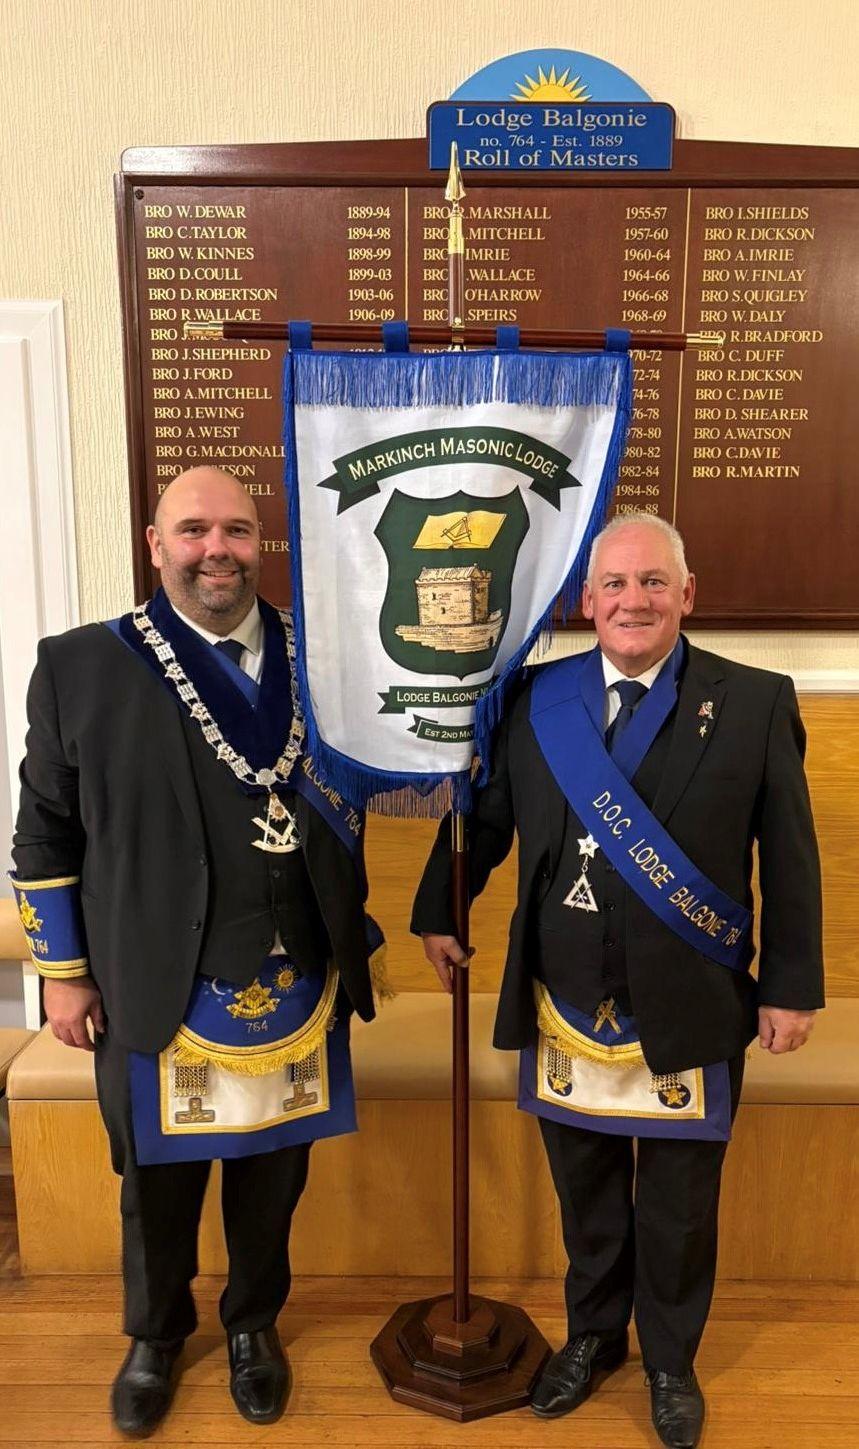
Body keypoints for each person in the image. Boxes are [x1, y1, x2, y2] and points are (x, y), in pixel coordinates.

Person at [413, 511, 823, 1449]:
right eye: (613, 584)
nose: (631, 600)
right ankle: (593, 1338)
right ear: (585, 600)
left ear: (687, 594)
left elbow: (789, 858)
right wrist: (442, 906)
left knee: (679, 1204)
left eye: (651, 582)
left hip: (690, 996)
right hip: (564, 994)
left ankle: (670, 1362)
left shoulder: (754, 699)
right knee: (587, 1191)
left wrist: (788, 983)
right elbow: (486, 812)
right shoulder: (535, 699)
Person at [11, 467, 381, 1437]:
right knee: (157, 1183)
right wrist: (63, 970)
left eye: (238, 530)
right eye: (193, 530)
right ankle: (157, 1336)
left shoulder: (326, 659)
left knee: (273, 1169)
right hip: (148, 972)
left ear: (261, 544)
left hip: (299, 967)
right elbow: (44, 833)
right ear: (154, 543)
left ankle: (254, 1325)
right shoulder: (80, 665)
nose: (216, 548)